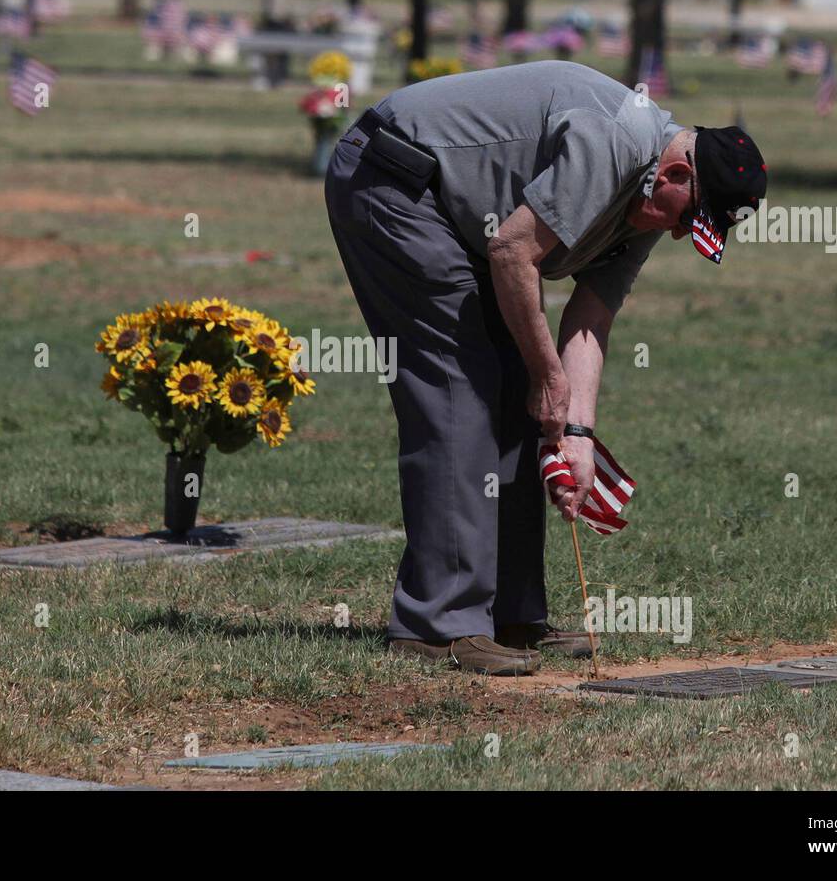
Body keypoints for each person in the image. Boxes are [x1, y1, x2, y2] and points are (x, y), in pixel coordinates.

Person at [323, 61, 766, 675]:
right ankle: (439, 624)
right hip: (394, 181)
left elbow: (590, 318)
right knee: (463, 386)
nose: (675, 237)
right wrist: (548, 375)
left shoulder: (649, 200)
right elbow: (513, 252)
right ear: (676, 172)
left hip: (463, 217)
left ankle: (511, 615)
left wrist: (576, 434)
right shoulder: (611, 147)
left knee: (518, 396)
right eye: (689, 220)